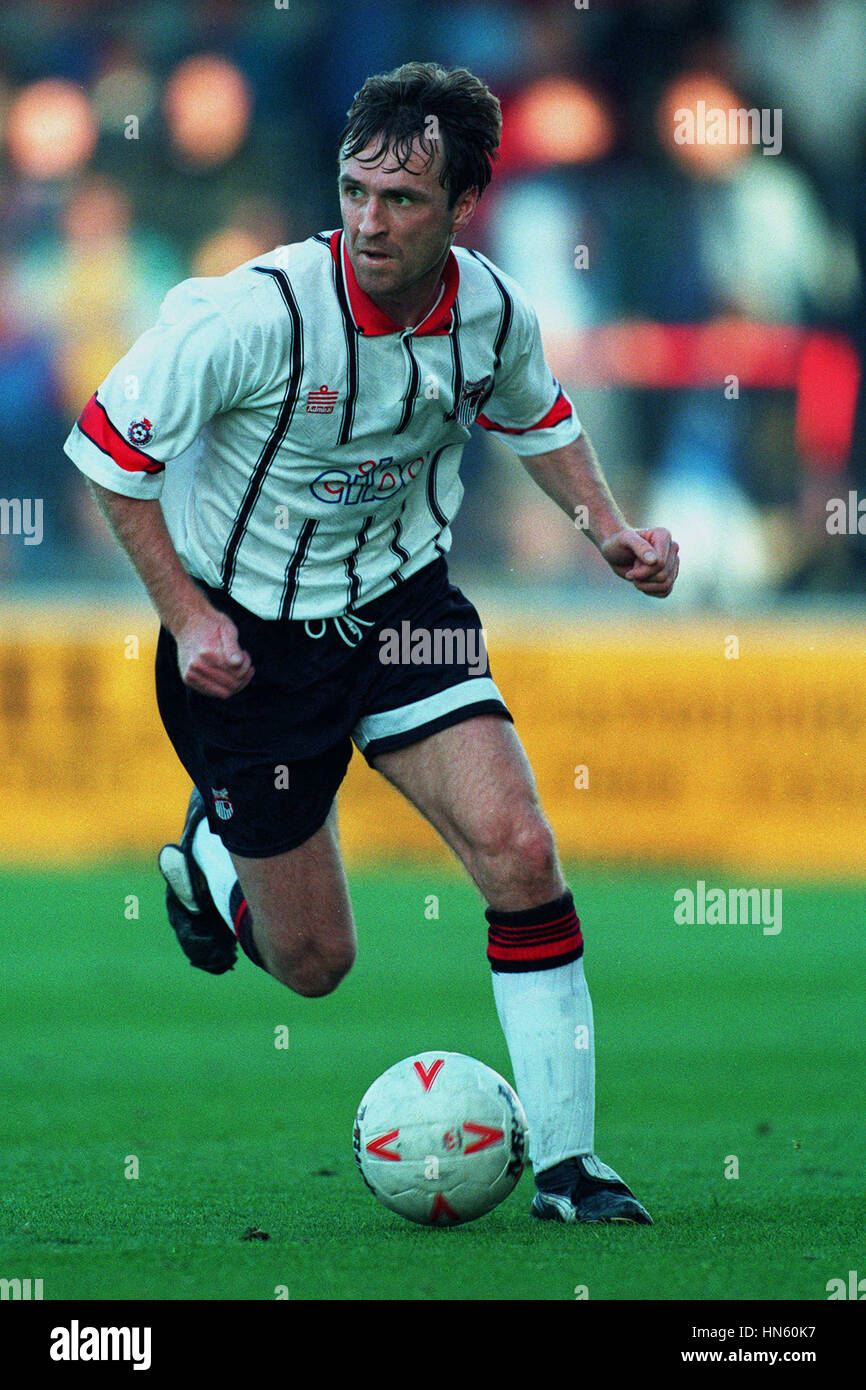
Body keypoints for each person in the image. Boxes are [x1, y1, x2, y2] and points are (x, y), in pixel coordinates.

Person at [64, 62, 678, 1225]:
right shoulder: (253, 315)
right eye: (355, 191)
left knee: (519, 847)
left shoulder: (489, 309)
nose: (369, 219)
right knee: (315, 965)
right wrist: (187, 617)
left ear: (461, 208)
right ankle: (207, 862)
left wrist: (608, 529)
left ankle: (567, 1169)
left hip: (403, 613)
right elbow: (107, 452)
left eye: (402, 199)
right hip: (245, 646)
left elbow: (535, 411)